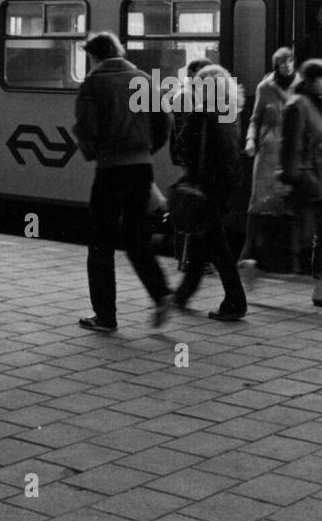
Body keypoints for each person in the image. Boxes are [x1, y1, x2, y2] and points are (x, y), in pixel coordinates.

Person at [73, 31, 172, 332]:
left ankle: (105, 316)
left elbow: (85, 127)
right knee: (135, 237)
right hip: (142, 168)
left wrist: (94, 152)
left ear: (92, 56)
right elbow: (162, 121)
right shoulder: (141, 77)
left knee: (100, 241)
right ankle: (161, 294)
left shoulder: (94, 83)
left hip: (111, 169)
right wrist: (146, 150)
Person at [162, 64, 248, 323]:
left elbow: (179, 152)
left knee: (218, 249)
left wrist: (181, 120)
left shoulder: (202, 115)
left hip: (202, 190)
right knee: (201, 244)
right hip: (221, 190)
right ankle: (183, 295)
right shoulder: (231, 112)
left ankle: (235, 301)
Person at [280, 58, 322, 309]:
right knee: (299, 239)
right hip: (307, 183)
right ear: (309, 81)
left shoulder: (319, 105)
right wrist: (292, 178)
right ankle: (253, 265)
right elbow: (291, 146)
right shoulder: (298, 105)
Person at [237, 47, 296, 273]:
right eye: (283, 63)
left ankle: (286, 259)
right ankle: (248, 250)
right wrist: (250, 140)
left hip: (291, 150)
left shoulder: (301, 86)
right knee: (259, 202)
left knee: (288, 204)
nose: (288, 66)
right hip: (268, 150)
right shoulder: (265, 87)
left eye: (290, 62)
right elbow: (254, 118)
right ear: (276, 66)